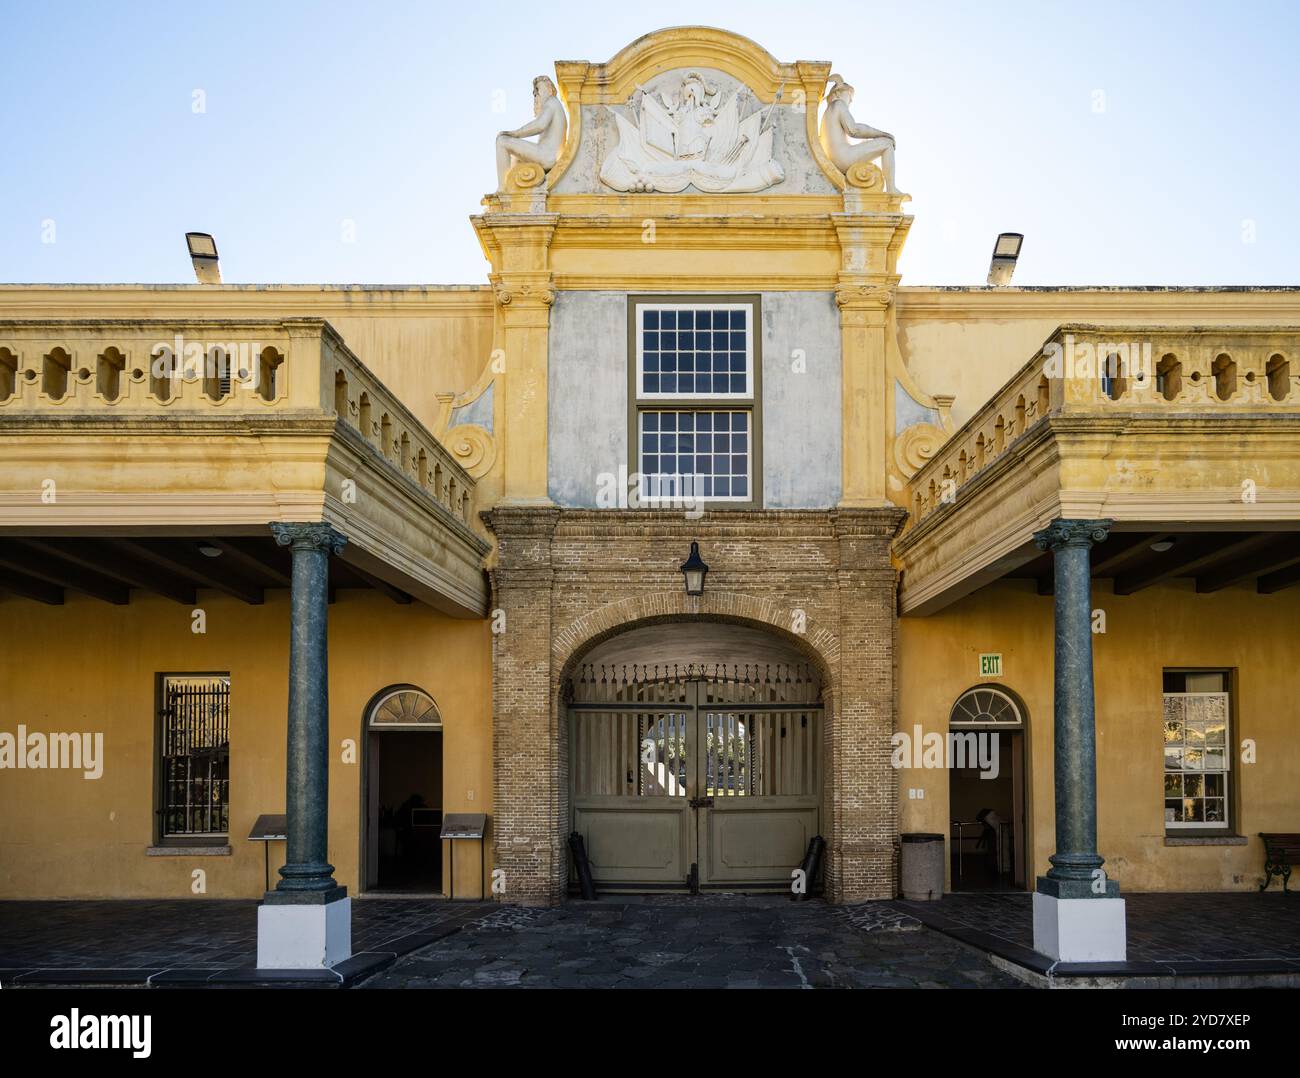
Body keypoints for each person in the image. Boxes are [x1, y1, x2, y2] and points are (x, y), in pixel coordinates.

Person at [819, 73, 899, 193]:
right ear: (837, 93)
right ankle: (892, 189)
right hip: (844, 157)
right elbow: (854, 130)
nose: (850, 100)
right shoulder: (838, 104)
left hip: (835, 160)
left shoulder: (827, 113)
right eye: (849, 94)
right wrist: (883, 134)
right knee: (887, 144)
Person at [495, 75, 568, 190]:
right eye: (534, 92)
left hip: (546, 156)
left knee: (502, 141)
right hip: (548, 156)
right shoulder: (554, 105)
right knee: (515, 158)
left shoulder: (551, 101)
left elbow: (540, 125)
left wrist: (515, 134)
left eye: (538, 89)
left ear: (549, 89)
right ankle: (514, 188)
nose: (536, 95)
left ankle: (502, 190)